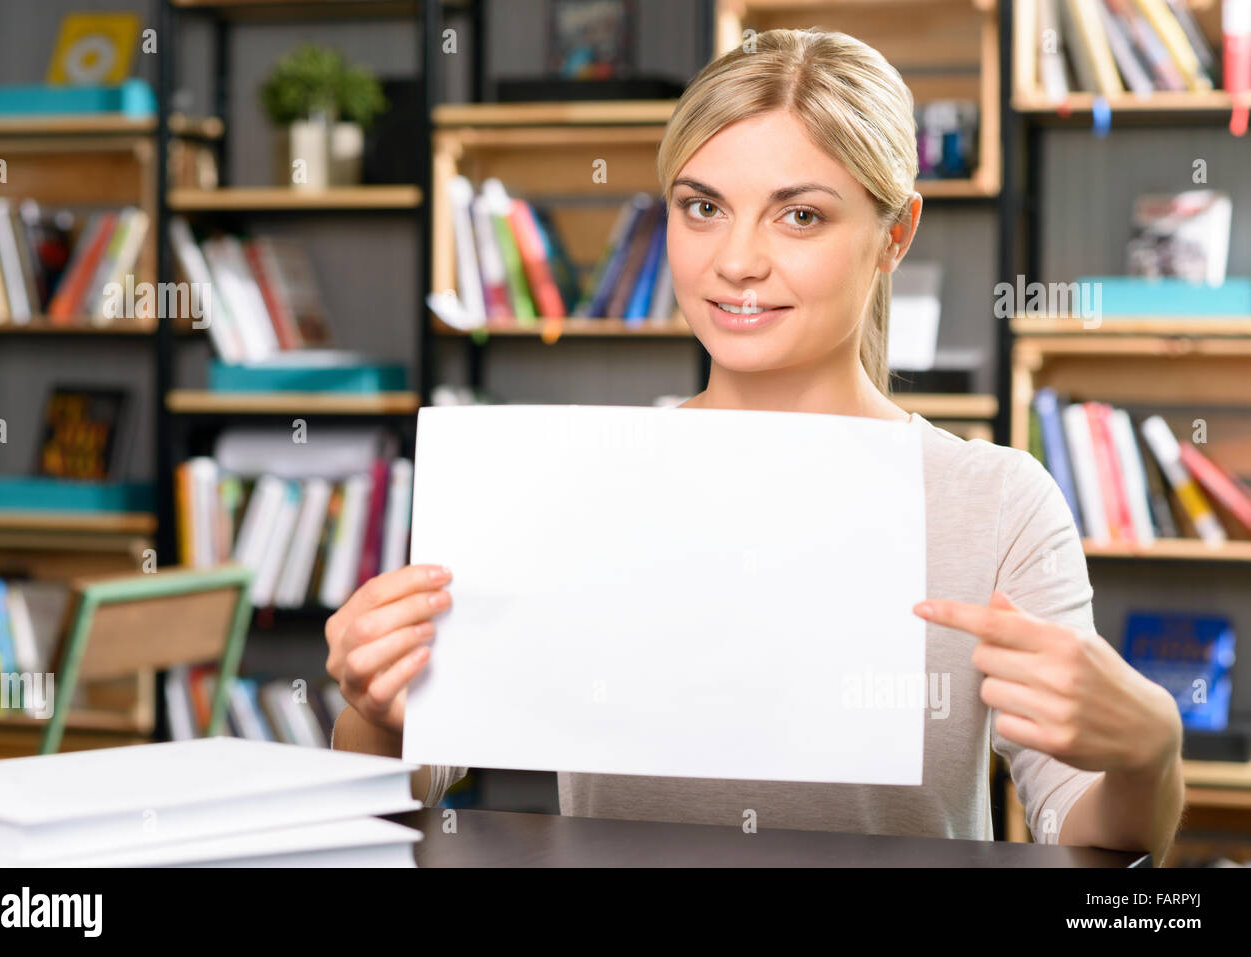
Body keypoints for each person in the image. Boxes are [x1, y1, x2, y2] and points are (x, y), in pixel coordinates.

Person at [326, 27, 1184, 863]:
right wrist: (374, 702)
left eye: (799, 216)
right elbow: (403, 794)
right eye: (703, 208)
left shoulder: (997, 499)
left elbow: (1088, 829)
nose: (736, 260)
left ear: (895, 234)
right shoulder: (577, 478)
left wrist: (1150, 752)